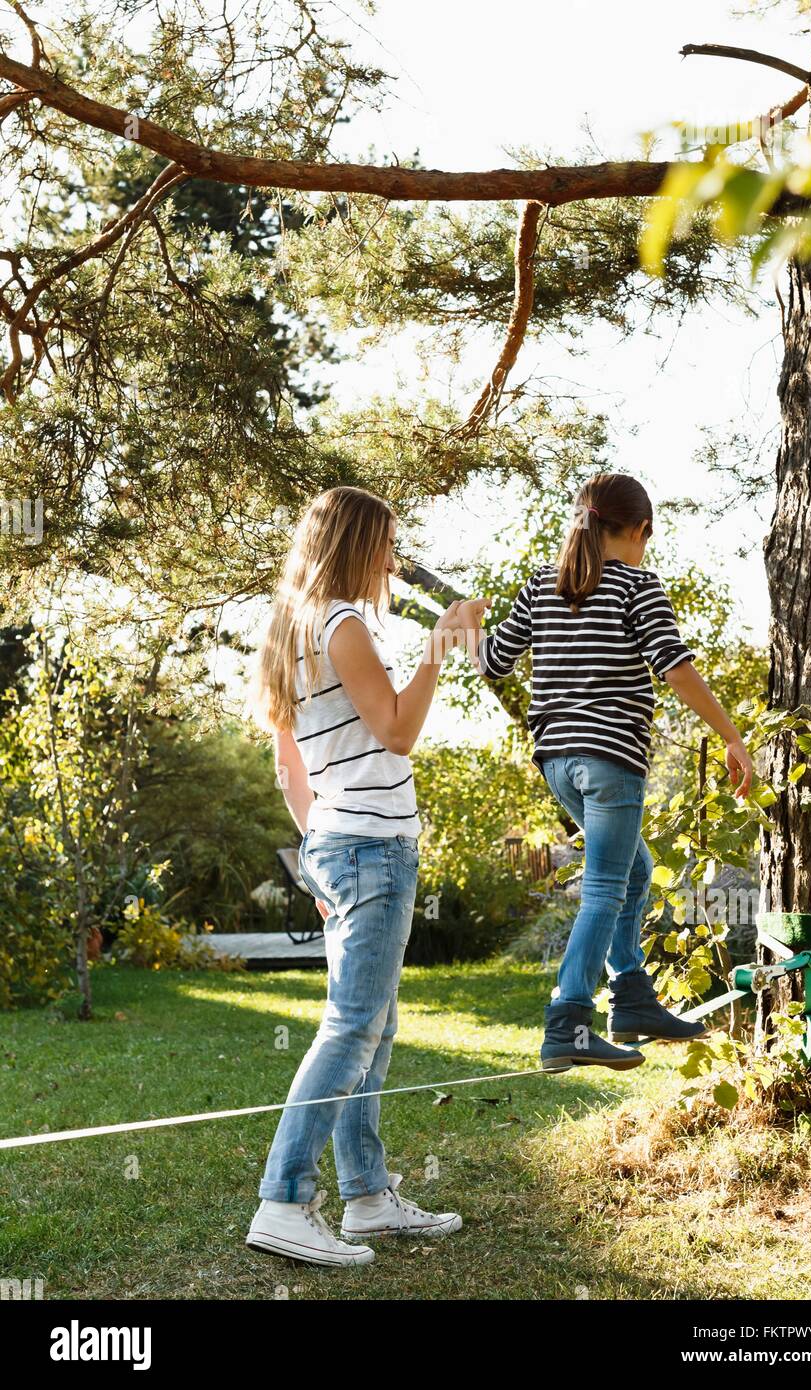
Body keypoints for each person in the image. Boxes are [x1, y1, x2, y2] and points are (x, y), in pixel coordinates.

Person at [246, 485, 489, 1267]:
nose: (395, 557)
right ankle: (285, 1199)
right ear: (355, 544)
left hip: (343, 846)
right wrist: (435, 653)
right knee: (354, 1028)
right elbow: (397, 730)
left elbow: (290, 767)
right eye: (387, 542)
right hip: (374, 848)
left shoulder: (294, 630)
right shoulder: (343, 623)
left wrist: (317, 857)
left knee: (371, 1026)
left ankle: (369, 1198)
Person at [474, 472, 753, 1074]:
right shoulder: (637, 586)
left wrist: (467, 625)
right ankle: (568, 1021)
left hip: (557, 763)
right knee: (605, 887)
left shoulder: (540, 586)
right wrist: (731, 735)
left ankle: (630, 1000)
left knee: (636, 869)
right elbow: (674, 667)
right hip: (610, 760)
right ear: (639, 529)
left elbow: (492, 661)